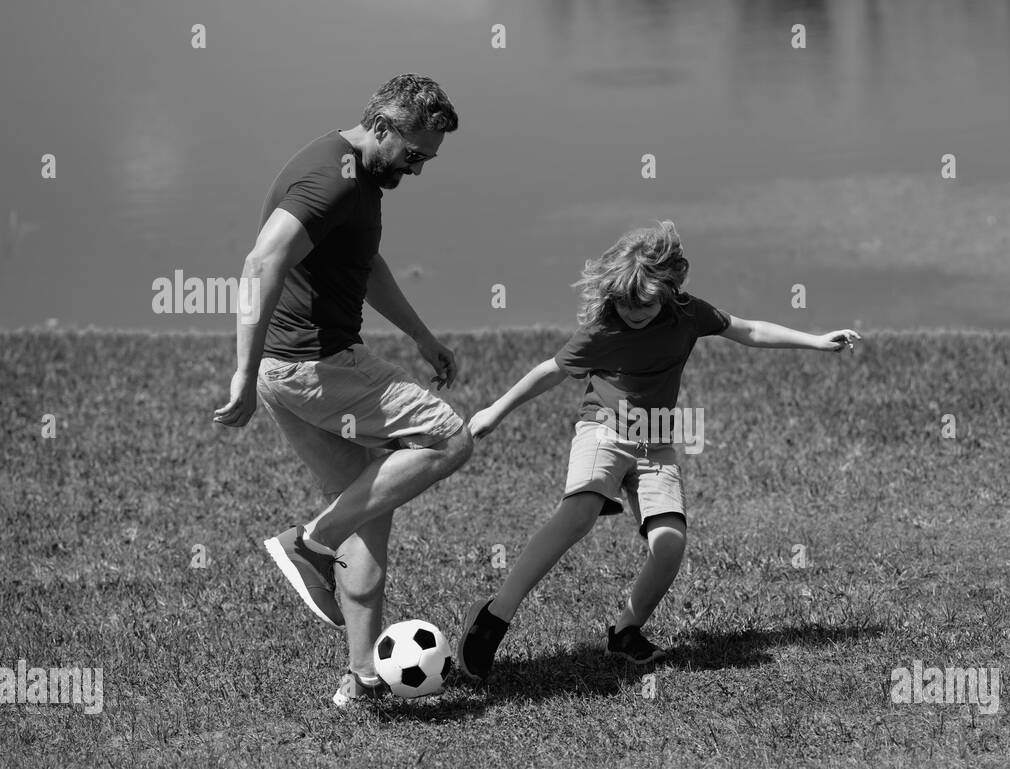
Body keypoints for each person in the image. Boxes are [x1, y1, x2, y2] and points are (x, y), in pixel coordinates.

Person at [458, 220, 860, 680]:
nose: (633, 313)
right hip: (602, 431)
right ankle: (493, 617)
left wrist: (816, 341)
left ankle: (626, 630)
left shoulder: (689, 314)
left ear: (670, 288)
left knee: (669, 545)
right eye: (625, 304)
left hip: (657, 440)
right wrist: (495, 410)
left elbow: (748, 330)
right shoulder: (604, 328)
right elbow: (549, 371)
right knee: (580, 513)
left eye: (643, 305)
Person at [212, 75, 473, 707]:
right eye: (414, 153)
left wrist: (420, 334)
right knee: (448, 438)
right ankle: (308, 544)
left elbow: (365, 264)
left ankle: (360, 678)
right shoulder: (333, 180)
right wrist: (242, 371)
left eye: (427, 160)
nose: (417, 169)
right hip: (314, 366)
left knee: (369, 513)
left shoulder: (357, 173)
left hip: (293, 373)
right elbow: (261, 262)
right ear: (383, 125)